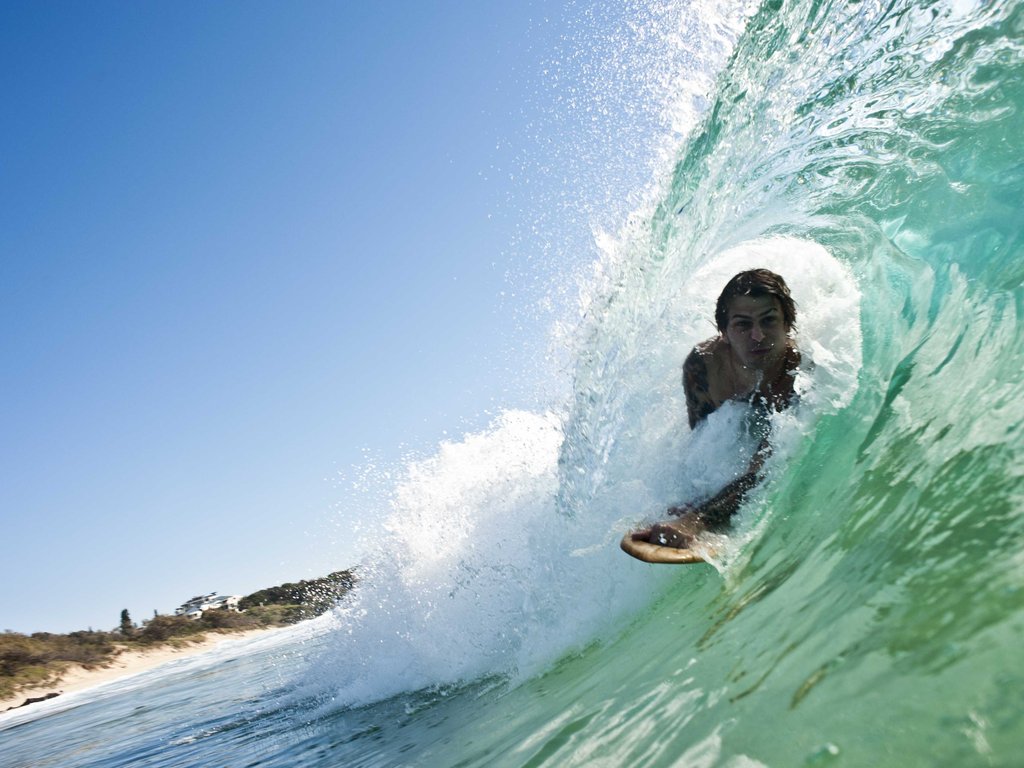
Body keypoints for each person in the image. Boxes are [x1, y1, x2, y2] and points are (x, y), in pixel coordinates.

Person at [633, 268, 800, 549]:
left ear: (787, 323)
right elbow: (705, 445)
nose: (757, 336)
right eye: (743, 325)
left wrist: (697, 520)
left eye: (769, 321)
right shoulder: (704, 367)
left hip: (775, 421)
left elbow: (770, 465)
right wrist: (689, 503)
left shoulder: (797, 373)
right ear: (724, 332)